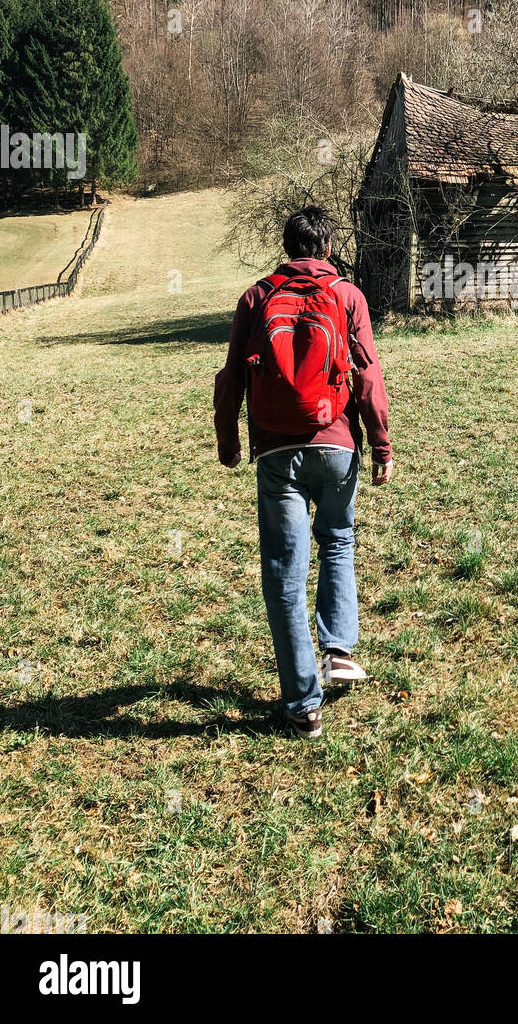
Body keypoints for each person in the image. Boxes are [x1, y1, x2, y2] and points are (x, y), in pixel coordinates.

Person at [214, 205, 393, 738]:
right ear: (329, 248)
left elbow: (230, 379)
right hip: (337, 444)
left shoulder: (257, 296)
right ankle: (339, 648)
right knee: (338, 539)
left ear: (287, 247)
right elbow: (367, 377)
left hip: (275, 451)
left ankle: (302, 705)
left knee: (284, 574)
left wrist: (230, 443)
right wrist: (381, 445)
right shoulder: (348, 295)